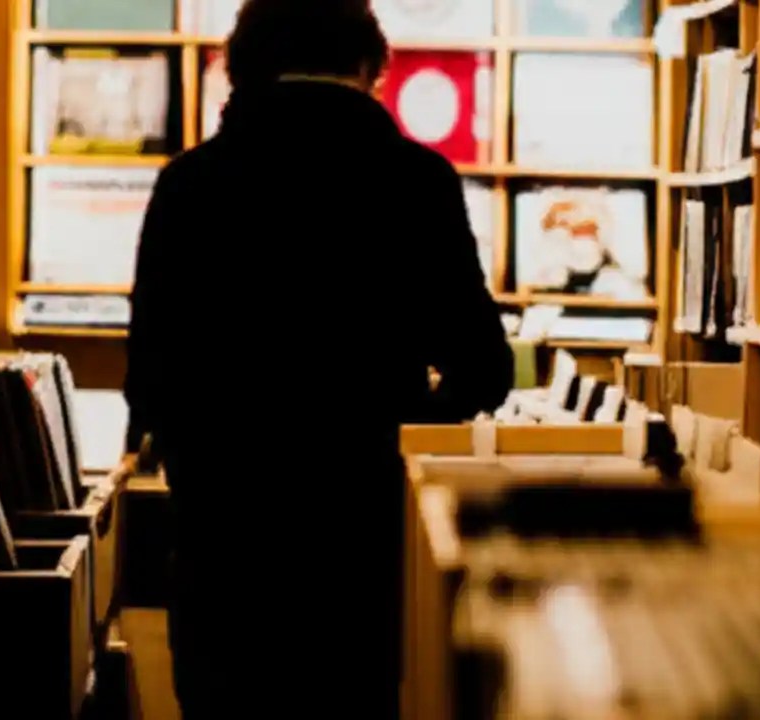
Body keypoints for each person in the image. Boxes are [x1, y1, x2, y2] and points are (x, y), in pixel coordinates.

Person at [123, 0, 514, 715]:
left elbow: (147, 383)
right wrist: (397, 430)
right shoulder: (417, 180)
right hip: (360, 550)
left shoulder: (188, 184)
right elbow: (485, 369)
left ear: (238, 72)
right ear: (370, 68)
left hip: (224, 549)